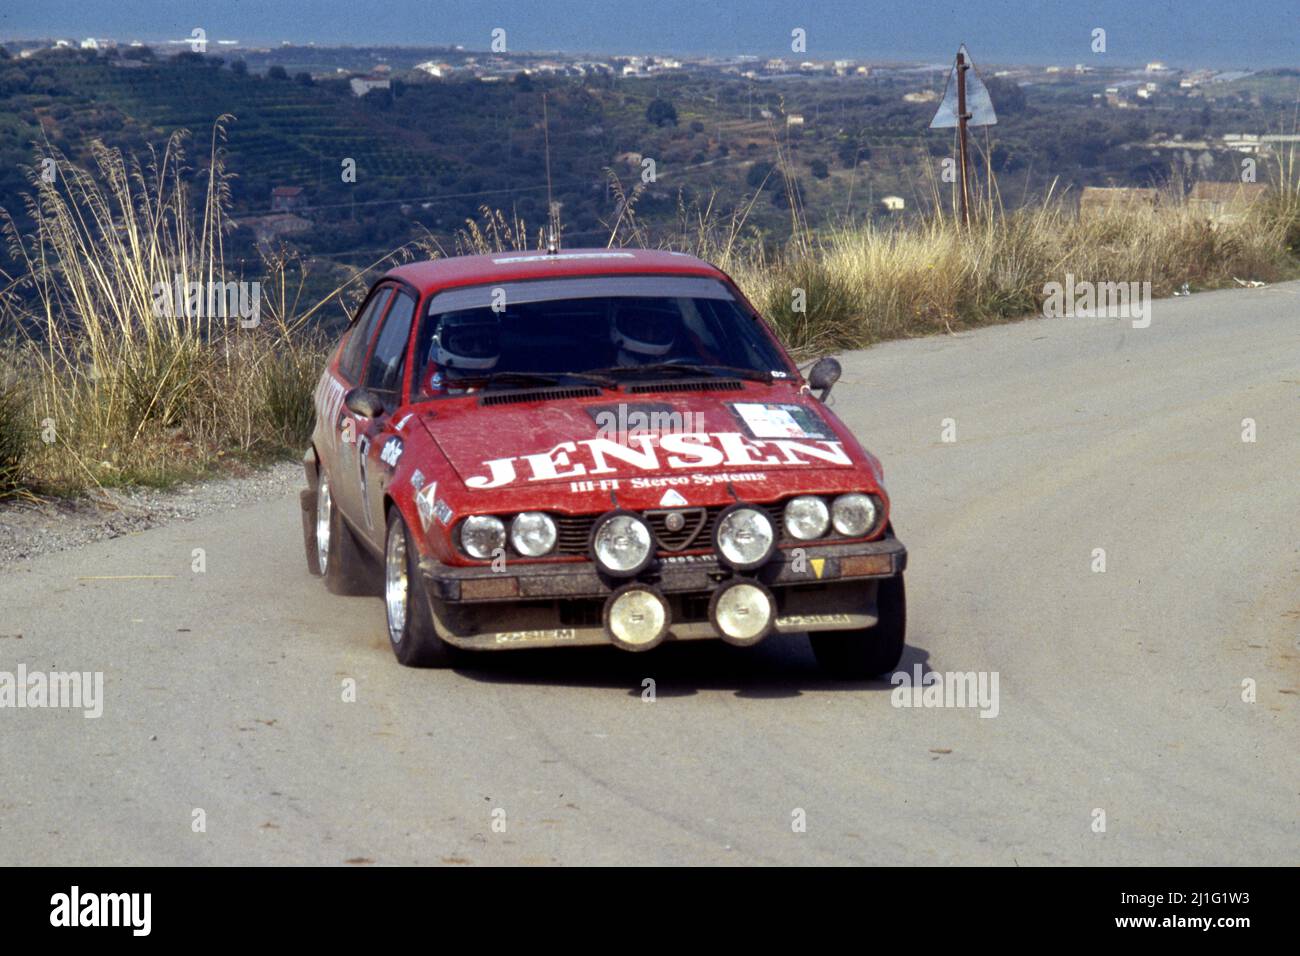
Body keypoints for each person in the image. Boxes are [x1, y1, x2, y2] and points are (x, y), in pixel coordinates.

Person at [423, 311, 500, 394]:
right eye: (465, 343)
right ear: (444, 341)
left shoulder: (507, 375)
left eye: (484, 342)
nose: (477, 349)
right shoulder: (437, 379)